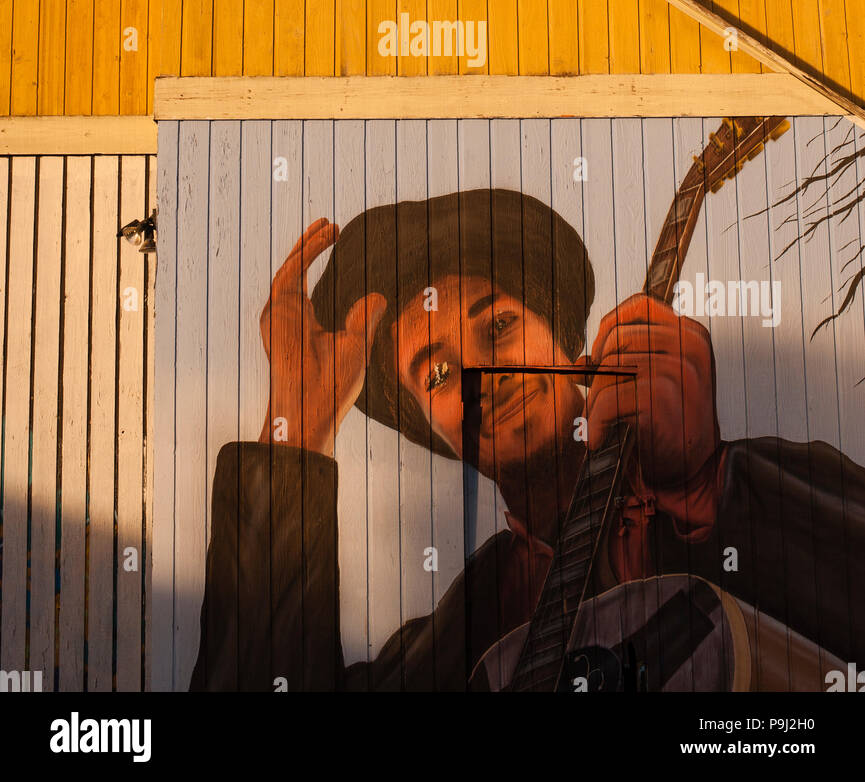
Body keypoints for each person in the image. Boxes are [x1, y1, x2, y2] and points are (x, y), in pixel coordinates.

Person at [189, 190, 865, 692]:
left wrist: (704, 493)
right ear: (436, 426)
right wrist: (297, 434)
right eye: (441, 373)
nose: (487, 376)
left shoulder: (762, 489)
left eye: (501, 326)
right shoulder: (467, 637)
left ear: (569, 344)